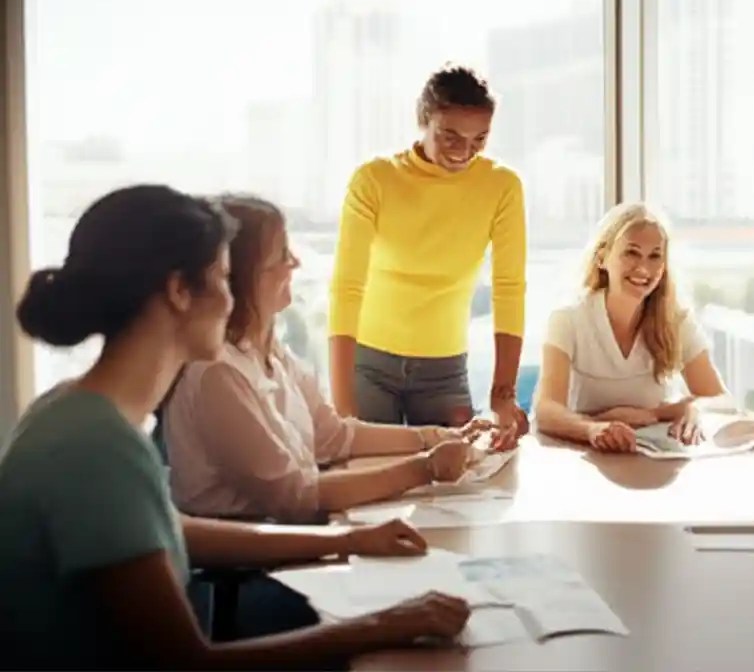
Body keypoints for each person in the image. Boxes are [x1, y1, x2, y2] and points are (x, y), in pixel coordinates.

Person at [0, 185, 469, 669]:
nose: (231, 299)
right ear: (180, 291)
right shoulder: (98, 445)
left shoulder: (76, 411)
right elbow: (188, 662)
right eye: (224, 278)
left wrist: (347, 539)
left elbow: (170, 530)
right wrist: (380, 625)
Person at [165, 195, 491, 524]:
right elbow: (295, 496)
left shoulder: (269, 351)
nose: (294, 263)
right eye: (280, 255)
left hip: (291, 535)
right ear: (241, 273)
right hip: (248, 559)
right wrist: (426, 468)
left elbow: (332, 437)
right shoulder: (218, 373)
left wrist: (432, 436)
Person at [329, 62, 528, 450]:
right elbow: (346, 288)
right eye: (450, 137)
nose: (464, 152)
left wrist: (503, 395)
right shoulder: (374, 179)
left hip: (444, 369)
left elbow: (509, 289)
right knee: (370, 479)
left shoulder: (502, 186)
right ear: (424, 119)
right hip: (368, 364)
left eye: (479, 140)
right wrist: (342, 406)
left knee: (456, 486)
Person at [534, 203, 728, 453]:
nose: (643, 269)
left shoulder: (676, 320)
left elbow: (720, 399)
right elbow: (547, 410)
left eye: (655, 256)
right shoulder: (567, 318)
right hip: (582, 455)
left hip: (652, 457)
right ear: (602, 257)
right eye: (631, 253)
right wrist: (595, 429)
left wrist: (657, 413)